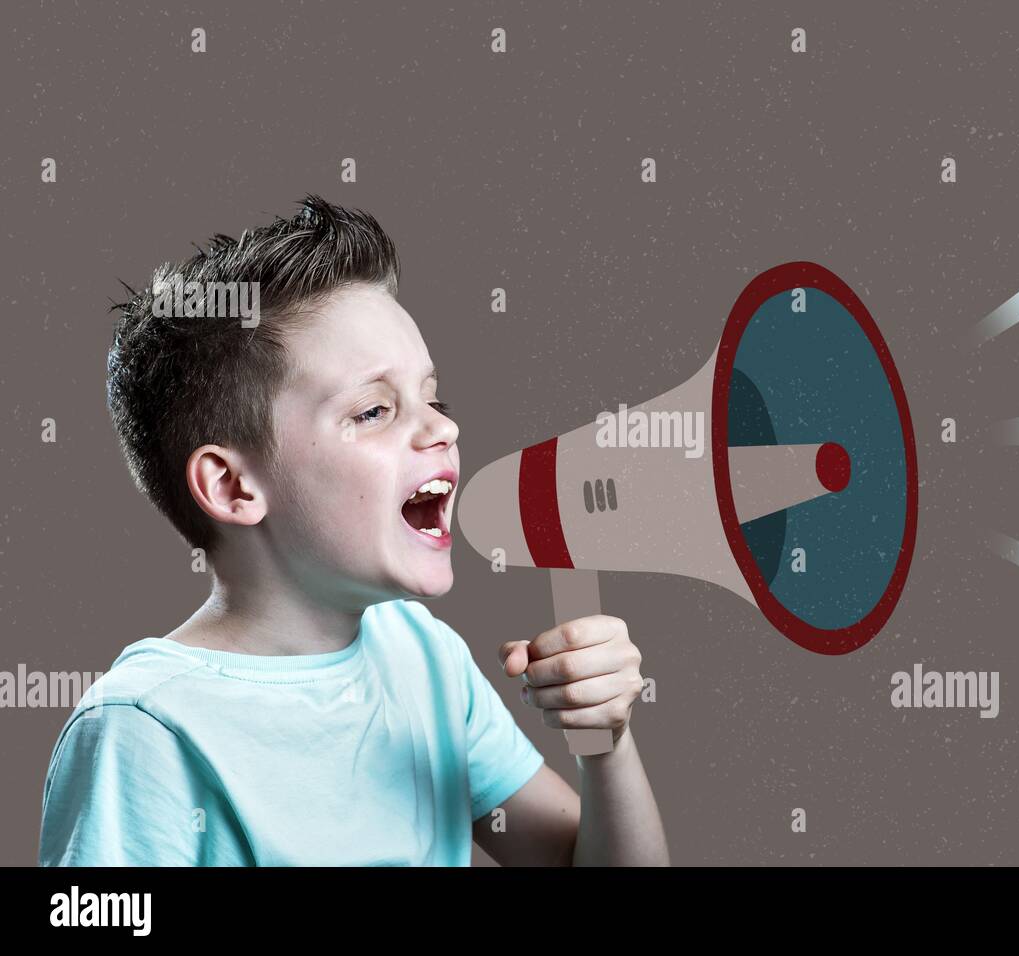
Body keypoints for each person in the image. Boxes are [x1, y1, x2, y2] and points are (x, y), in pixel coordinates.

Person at [38, 196, 669, 866]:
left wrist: (607, 742)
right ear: (232, 486)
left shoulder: (423, 657)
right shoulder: (143, 731)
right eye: (373, 411)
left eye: (433, 399)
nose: (443, 429)